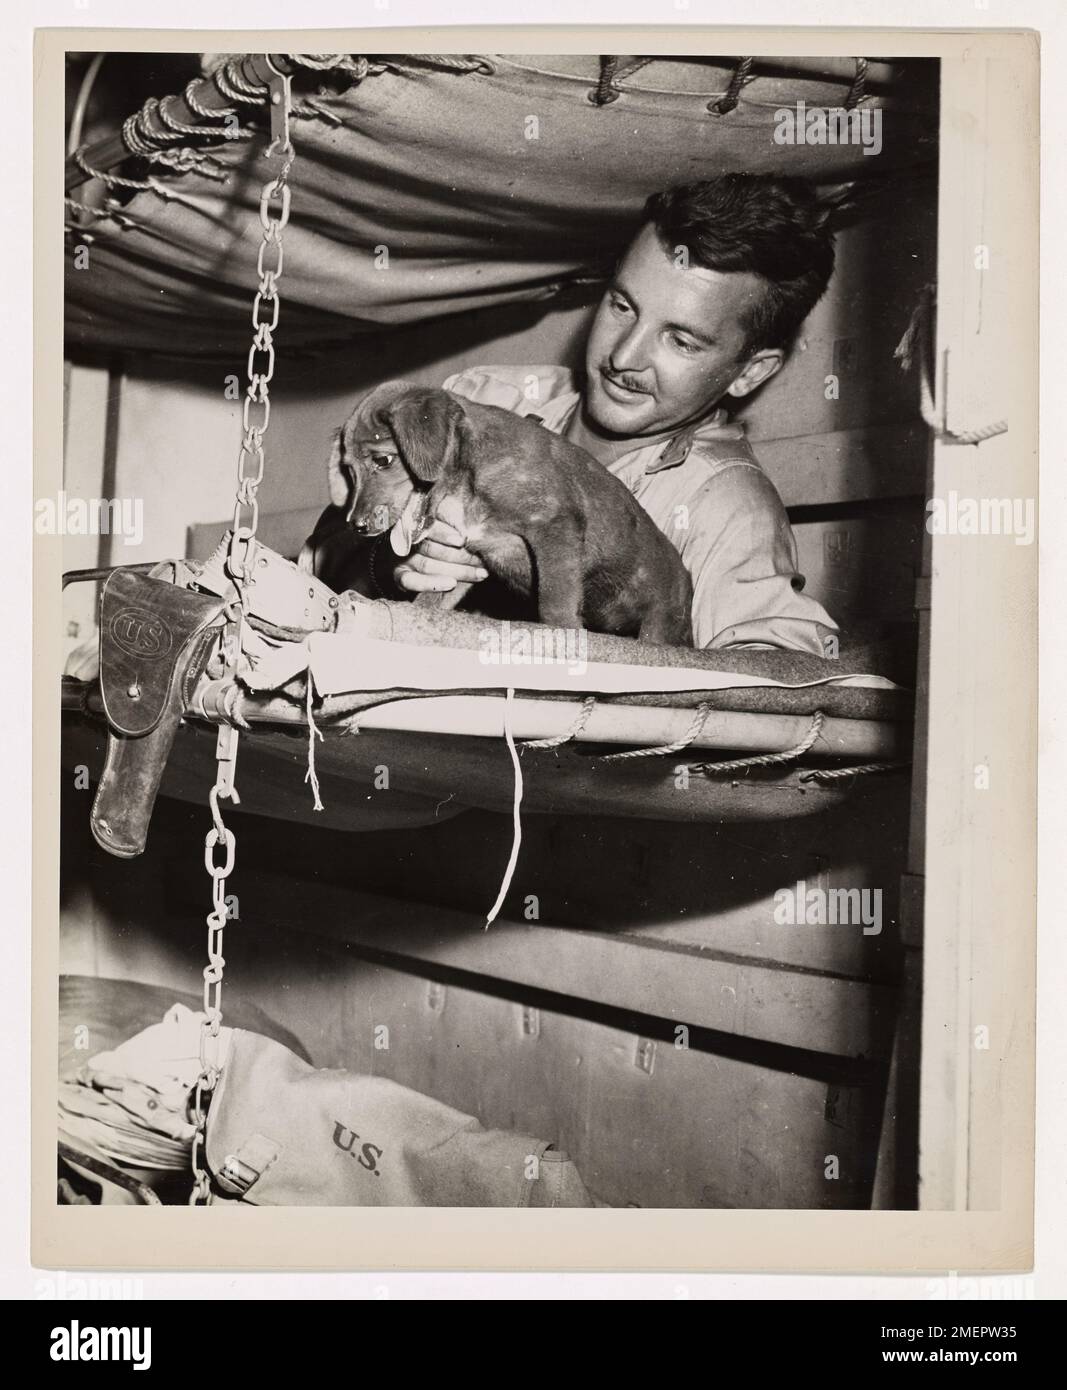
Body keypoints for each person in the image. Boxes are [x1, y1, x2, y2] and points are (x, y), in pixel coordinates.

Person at [342, 174, 840, 654]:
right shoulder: (485, 396)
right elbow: (325, 559)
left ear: (749, 373)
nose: (624, 356)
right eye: (623, 305)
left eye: (681, 340)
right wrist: (388, 562)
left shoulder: (727, 508)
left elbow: (776, 678)